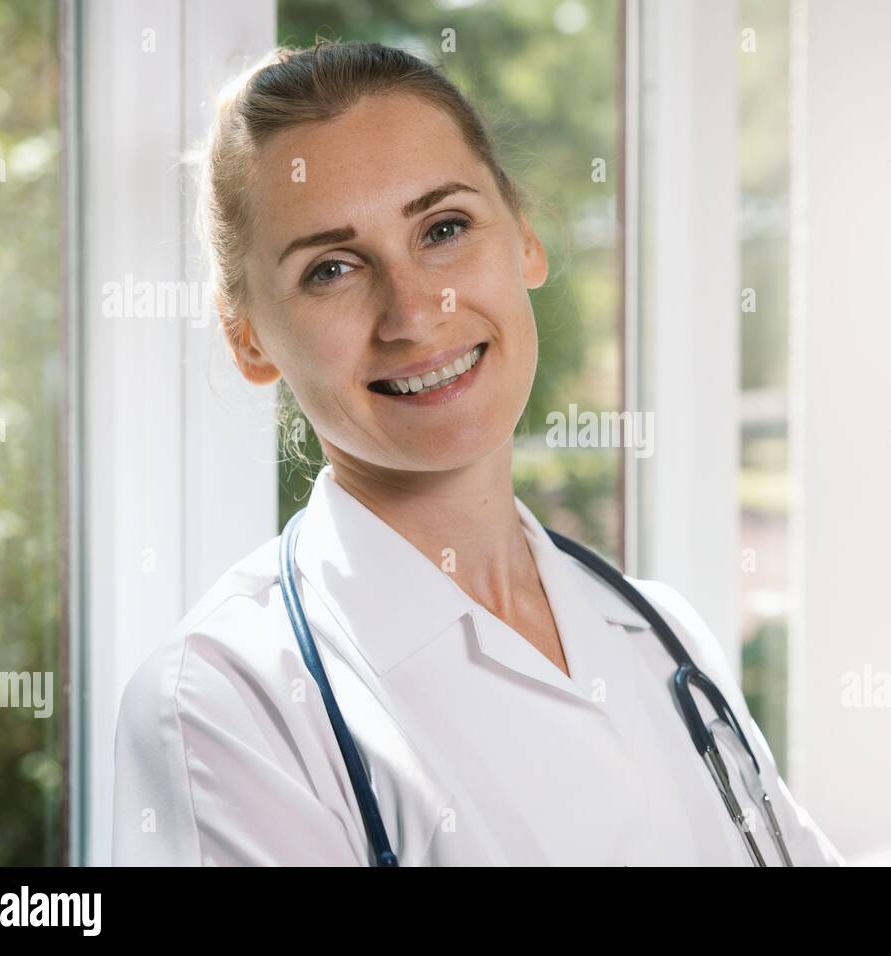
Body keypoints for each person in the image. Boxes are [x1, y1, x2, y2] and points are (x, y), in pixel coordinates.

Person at [111, 40, 843, 867]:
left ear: (524, 238)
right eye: (332, 268)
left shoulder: (658, 634)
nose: (416, 314)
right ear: (248, 338)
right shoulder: (225, 705)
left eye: (444, 228)